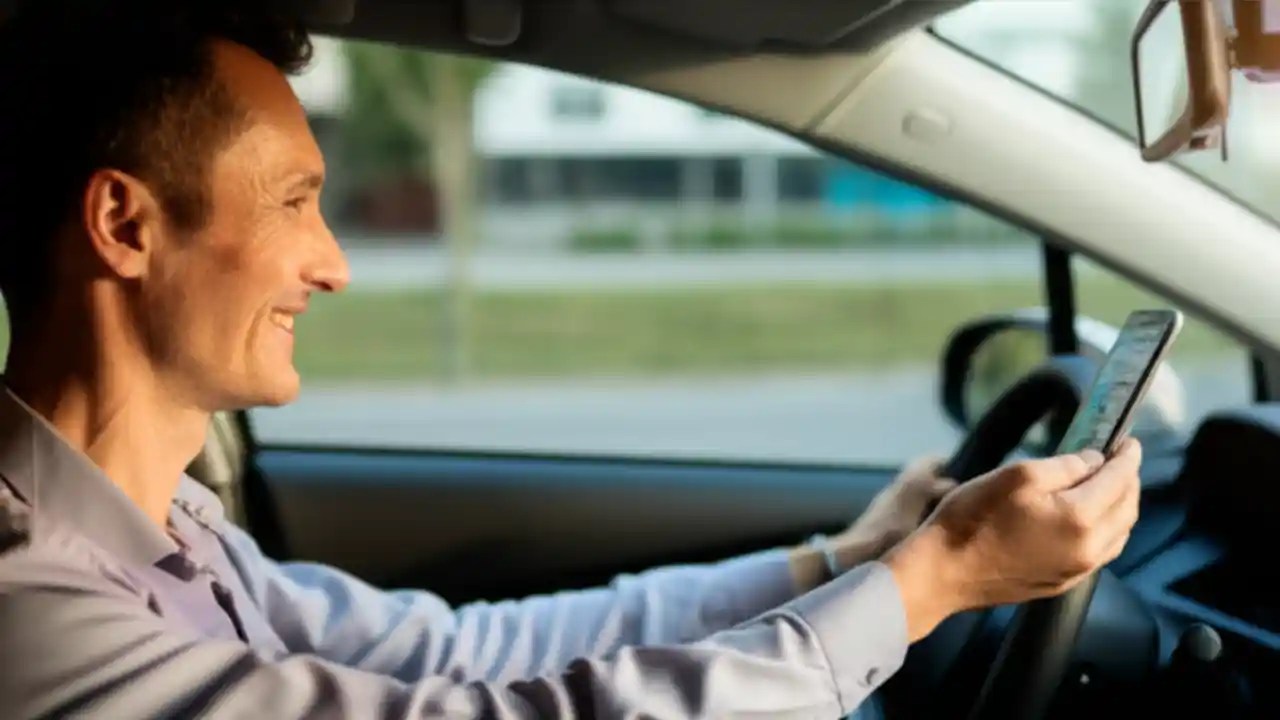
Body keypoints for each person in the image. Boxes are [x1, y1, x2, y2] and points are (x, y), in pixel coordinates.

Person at [0, 1, 1143, 717]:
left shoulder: (179, 541)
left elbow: (463, 652)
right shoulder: (32, 611)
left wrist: (841, 562)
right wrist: (932, 581)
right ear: (125, 225)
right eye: (296, 201)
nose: (334, 262)